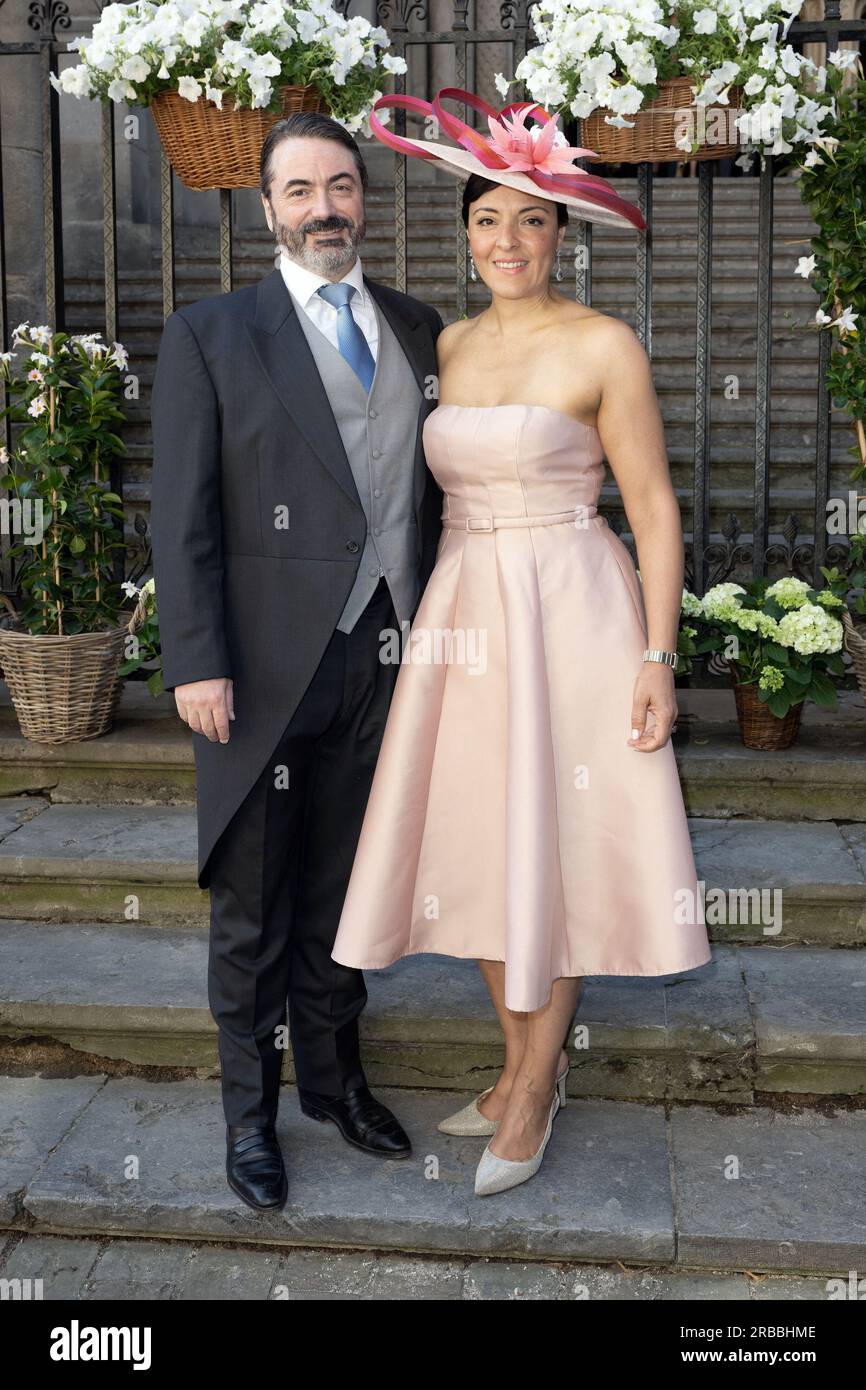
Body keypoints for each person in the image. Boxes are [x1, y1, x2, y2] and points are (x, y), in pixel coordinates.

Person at [331, 88, 711, 1197]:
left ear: (561, 234)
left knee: (564, 843)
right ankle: (514, 1066)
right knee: (493, 846)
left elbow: (650, 510)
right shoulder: (446, 342)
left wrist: (654, 657)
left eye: (530, 220)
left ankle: (536, 1083)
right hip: (465, 617)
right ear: (466, 233)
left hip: (574, 612)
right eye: (488, 218)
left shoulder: (603, 343)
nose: (507, 239)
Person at [150, 111, 443, 1212]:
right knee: (254, 907)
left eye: (341, 186)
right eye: (300, 190)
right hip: (263, 674)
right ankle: (248, 1115)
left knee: (346, 890)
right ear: (266, 206)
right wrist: (197, 661)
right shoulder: (211, 335)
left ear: (363, 198)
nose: (325, 208)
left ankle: (334, 1082)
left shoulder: (417, 328)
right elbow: (180, 518)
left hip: (388, 658)